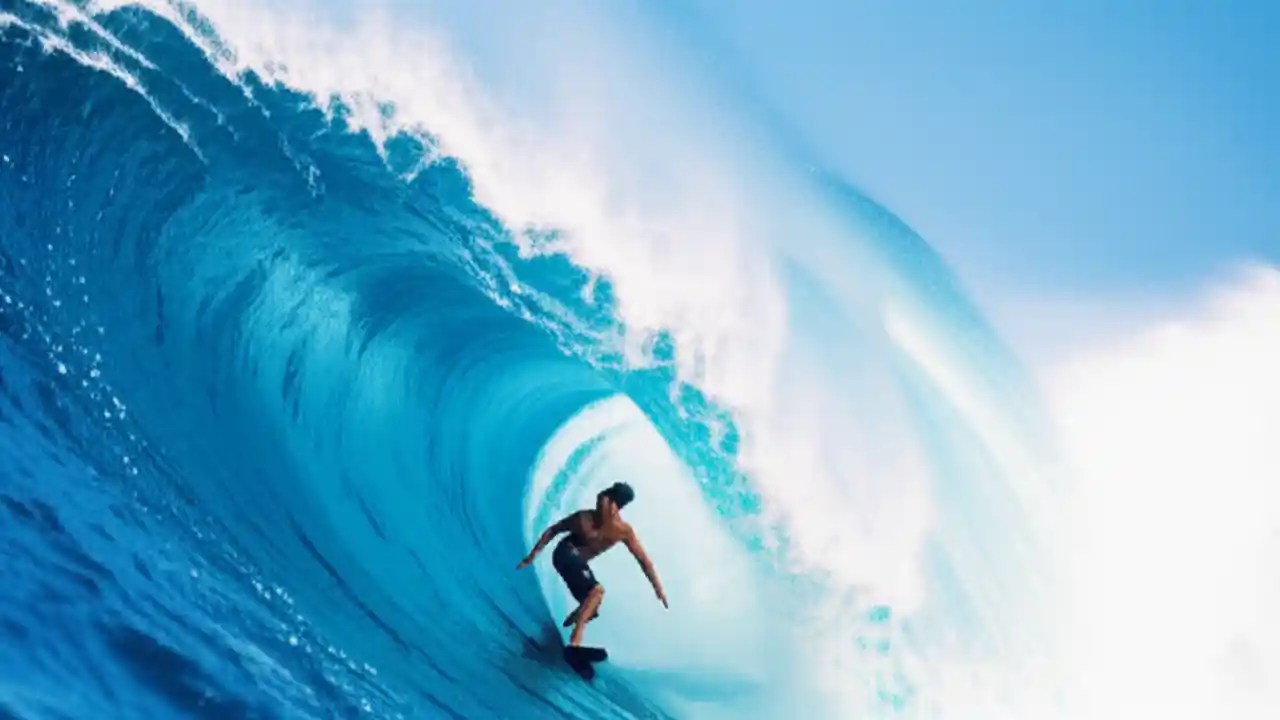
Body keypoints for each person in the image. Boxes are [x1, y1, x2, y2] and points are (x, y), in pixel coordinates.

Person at [517, 482, 667, 648]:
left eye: (605, 499)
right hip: (564, 553)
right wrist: (531, 556)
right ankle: (575, 642)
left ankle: (567, 629)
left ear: (615, 506)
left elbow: (643, 560)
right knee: (597, 591)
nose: (599, 501)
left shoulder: (623, 531)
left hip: (577, 564)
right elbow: (554, 530)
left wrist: (658, 589)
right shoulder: (583, 518)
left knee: (592, 609)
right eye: (601, 498)